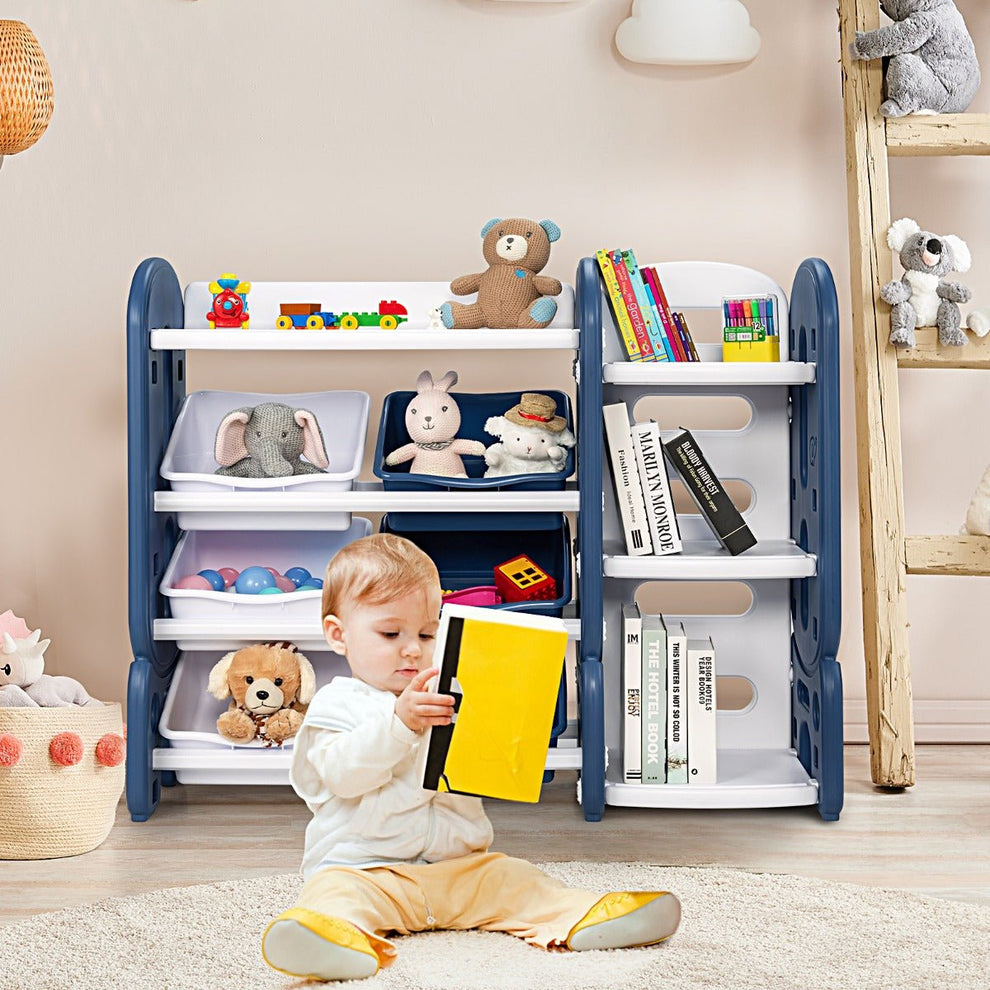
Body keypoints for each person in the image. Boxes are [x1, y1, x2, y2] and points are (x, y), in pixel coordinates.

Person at [262, 533, 680, 982]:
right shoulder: (337, 703)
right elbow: (342, 775)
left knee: (515, 878)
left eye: (426, 633)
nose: (411, 648)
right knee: (333, 896)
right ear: (338, 635)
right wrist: (400, 724)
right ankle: (329, 939)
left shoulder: (452, 692)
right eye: (390, 633)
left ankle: (583, 916)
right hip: (366, 870)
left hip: (457, 869)